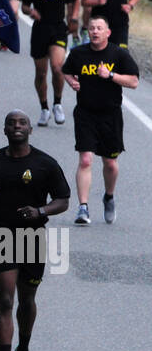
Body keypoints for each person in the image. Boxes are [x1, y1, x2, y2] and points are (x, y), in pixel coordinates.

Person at [0, 111, 70, 351]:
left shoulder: (45, 163)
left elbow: (63, 199)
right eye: (11, 123)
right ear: (4, 130)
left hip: (33, 236)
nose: (17, 127)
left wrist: (40, 211)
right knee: (5, 300)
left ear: (29, 130)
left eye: (22, 123)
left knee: (26, 300)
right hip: (1, 233)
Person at [62, 15, 139, 224]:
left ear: (108, 33)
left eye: (99, 28)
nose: (94, 32)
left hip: (110, 115)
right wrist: (71, 82)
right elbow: (65, 70)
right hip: (85, 113)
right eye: (91, 28)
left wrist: (111, 75)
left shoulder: (118, 54)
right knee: (86, 159)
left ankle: (109, 197)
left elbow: (133, 81)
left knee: (110, 163)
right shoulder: (79, 54)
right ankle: (83, 208)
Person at [21, 0, 76, 126]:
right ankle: (44, 108)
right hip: (40, 30)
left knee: (57, 67)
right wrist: (31, 11)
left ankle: (57, 104)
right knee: (41, 72)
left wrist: (73, 18)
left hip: (58, 28)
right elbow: (23, 6)